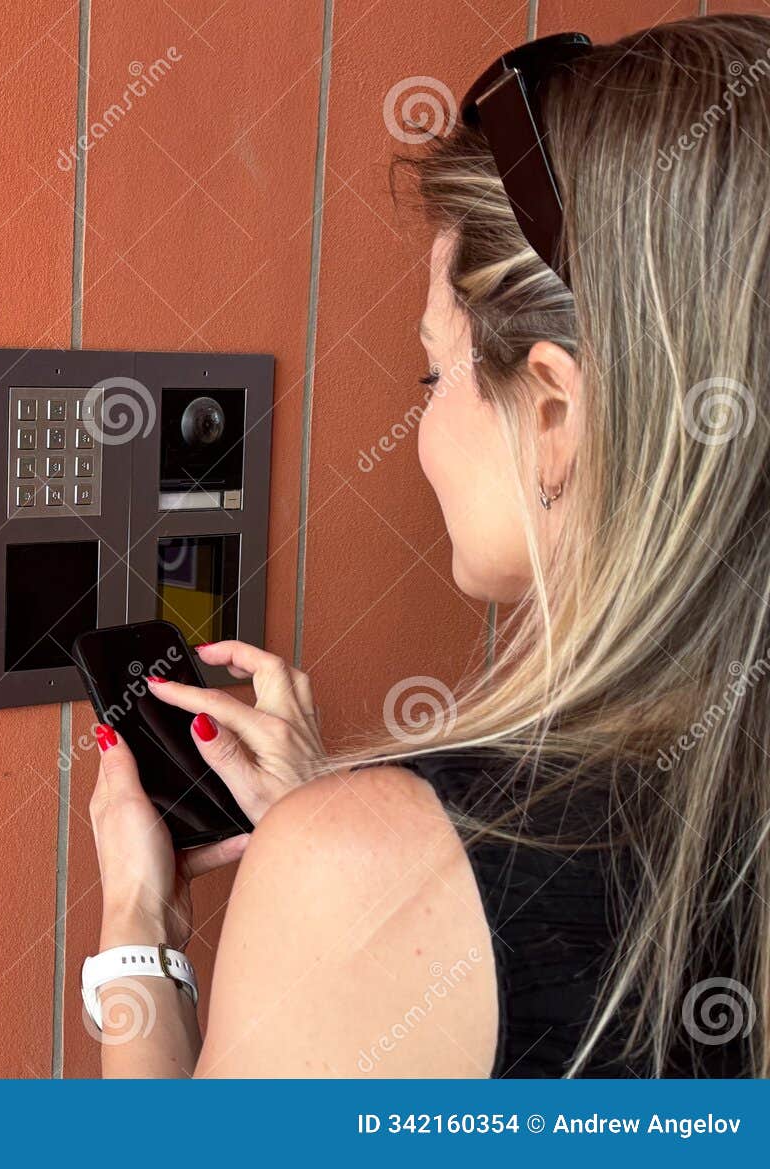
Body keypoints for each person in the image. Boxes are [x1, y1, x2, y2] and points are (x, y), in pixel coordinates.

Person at [86, 14, 766, 1078]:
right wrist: (365, 844)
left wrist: (140, 928)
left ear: (552, 412)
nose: (426, 427)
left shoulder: (359, 875)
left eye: (431, 375)